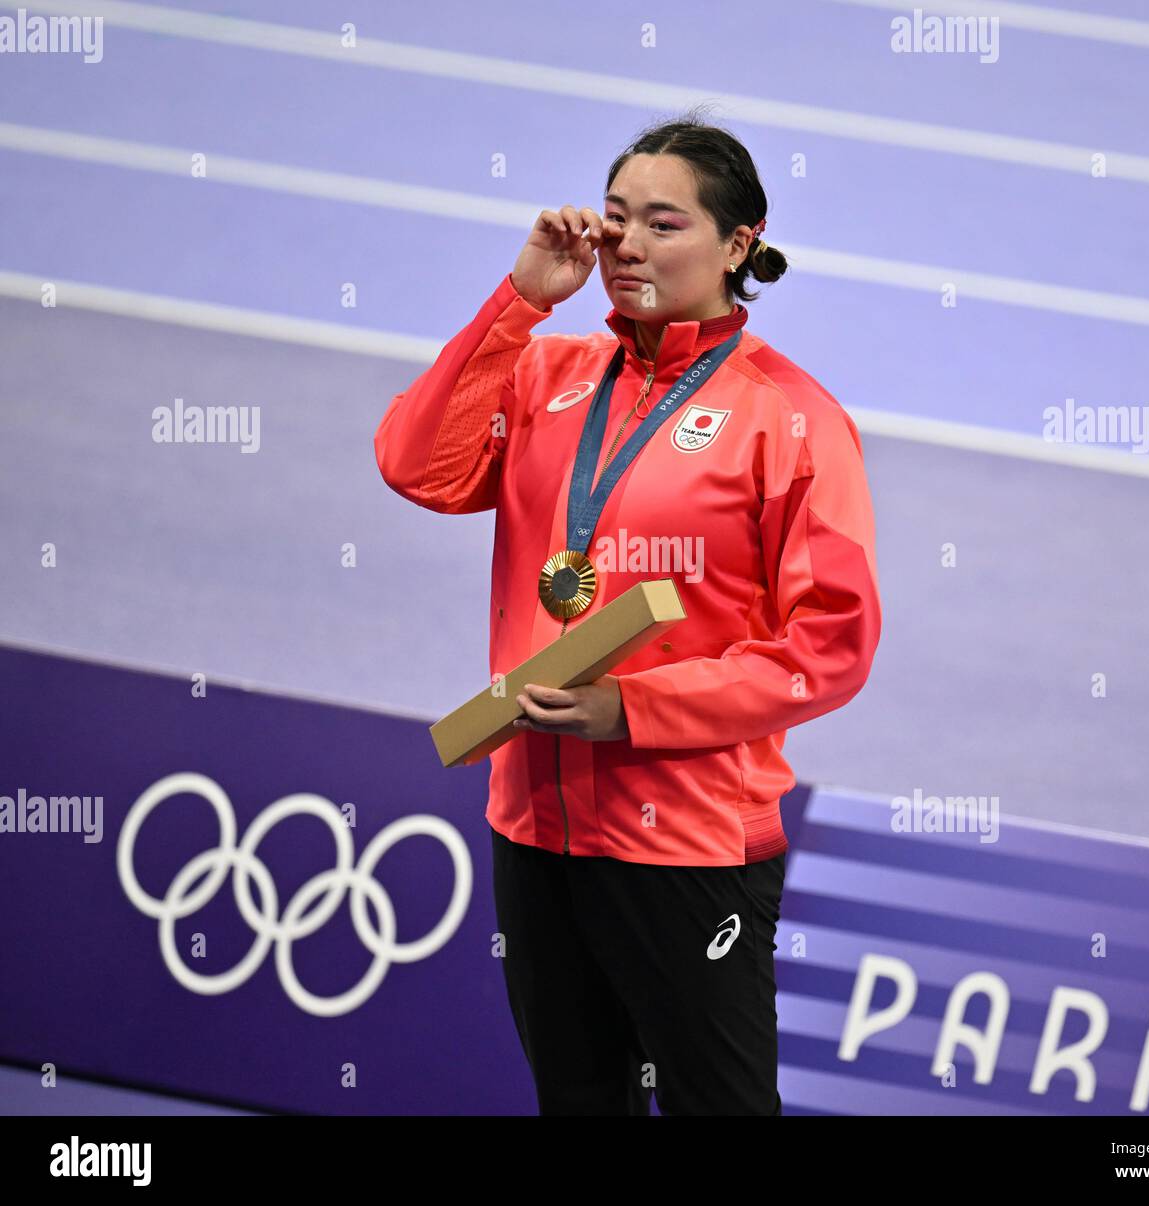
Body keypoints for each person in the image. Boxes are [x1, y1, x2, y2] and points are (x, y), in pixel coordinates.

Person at [373, 110, 883, 1116]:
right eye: (615, 221)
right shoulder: (547, 377)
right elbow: (415, 465)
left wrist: (632, 710)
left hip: (685, 841)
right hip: (534, 821)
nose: (628, 248)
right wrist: (519, 301)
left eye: (664, 223)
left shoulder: (790, 418)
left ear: (739, 244)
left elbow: (830, 647)